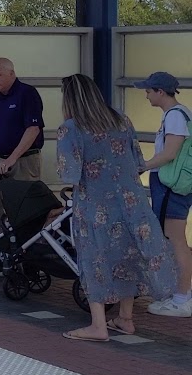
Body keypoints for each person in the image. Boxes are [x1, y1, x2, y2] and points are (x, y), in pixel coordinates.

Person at [57, 74, 176, 341]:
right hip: (131, 202)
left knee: (94, 261)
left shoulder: (71, 128)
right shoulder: (121, 120)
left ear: (70, 99)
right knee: (127, 258)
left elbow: (69, 173)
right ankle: (125, 319)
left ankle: (98, 326)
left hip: (95, 206)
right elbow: (137, 161)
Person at [0, 58, 45, 279]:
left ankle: (28, 259)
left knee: (24, 209)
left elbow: (33, 129)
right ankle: (3, 254)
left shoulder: (27, 94)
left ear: (11, 73)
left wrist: (13, 158)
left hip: (23, 159)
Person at [135, 71, 192, 317]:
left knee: (177, 240)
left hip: (171, 185)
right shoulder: (178, 114)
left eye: (148, 91)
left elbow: (170, 154)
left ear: (160, 91)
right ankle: (180, 294)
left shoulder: (176, 117)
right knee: (174, 239)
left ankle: (182, 299)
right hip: (170, 184)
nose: (146, 96)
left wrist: (143, 166)